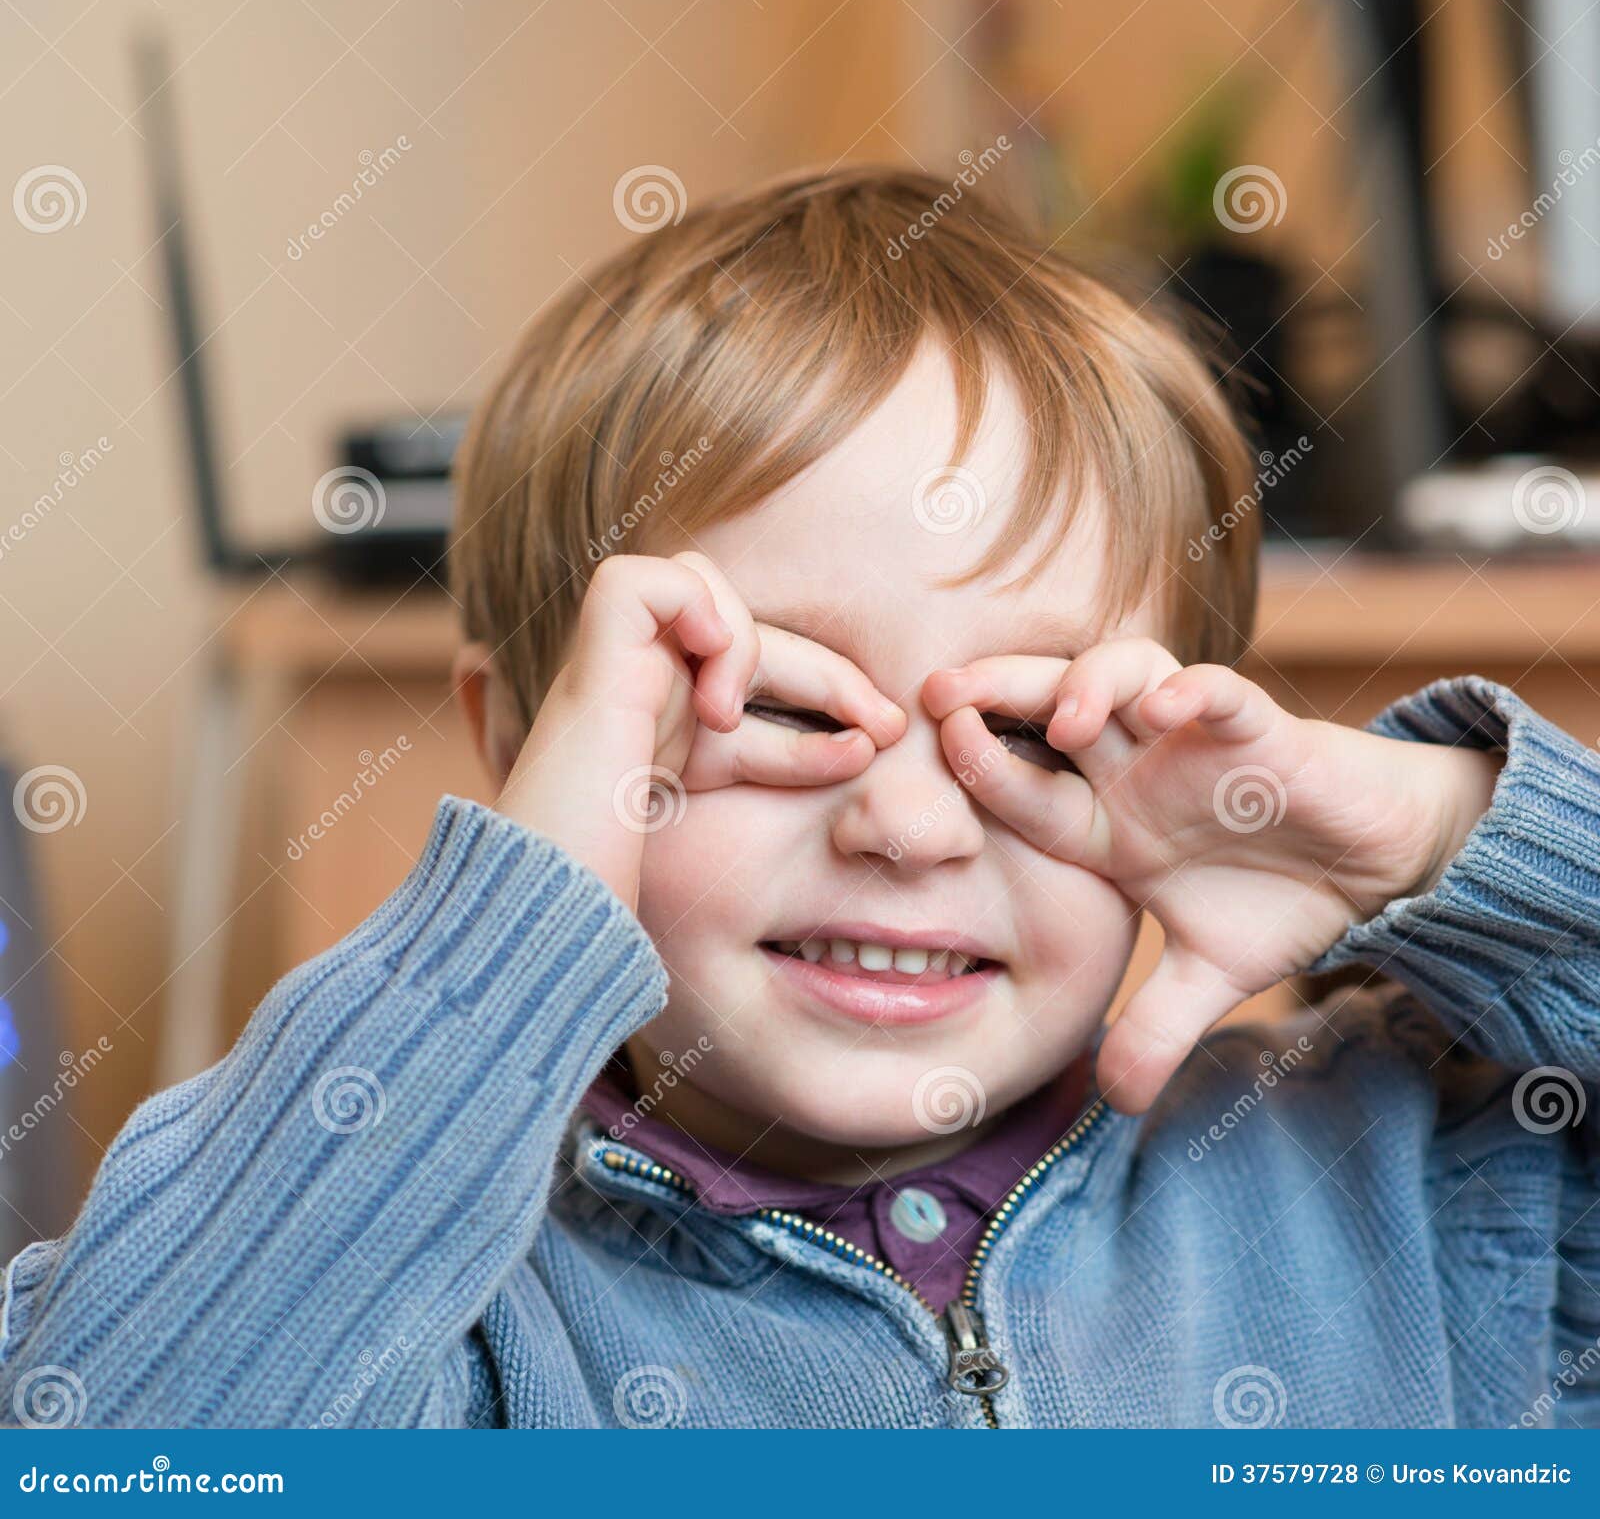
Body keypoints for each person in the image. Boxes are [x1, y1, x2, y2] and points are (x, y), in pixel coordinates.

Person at [4, 168, 1596, 1429]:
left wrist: (1443, 837)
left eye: (1034, 727)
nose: (910, 827)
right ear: (527, 754)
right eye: (773, 699)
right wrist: (502, 937)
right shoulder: (451, 1319)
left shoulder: (1424, 1194)